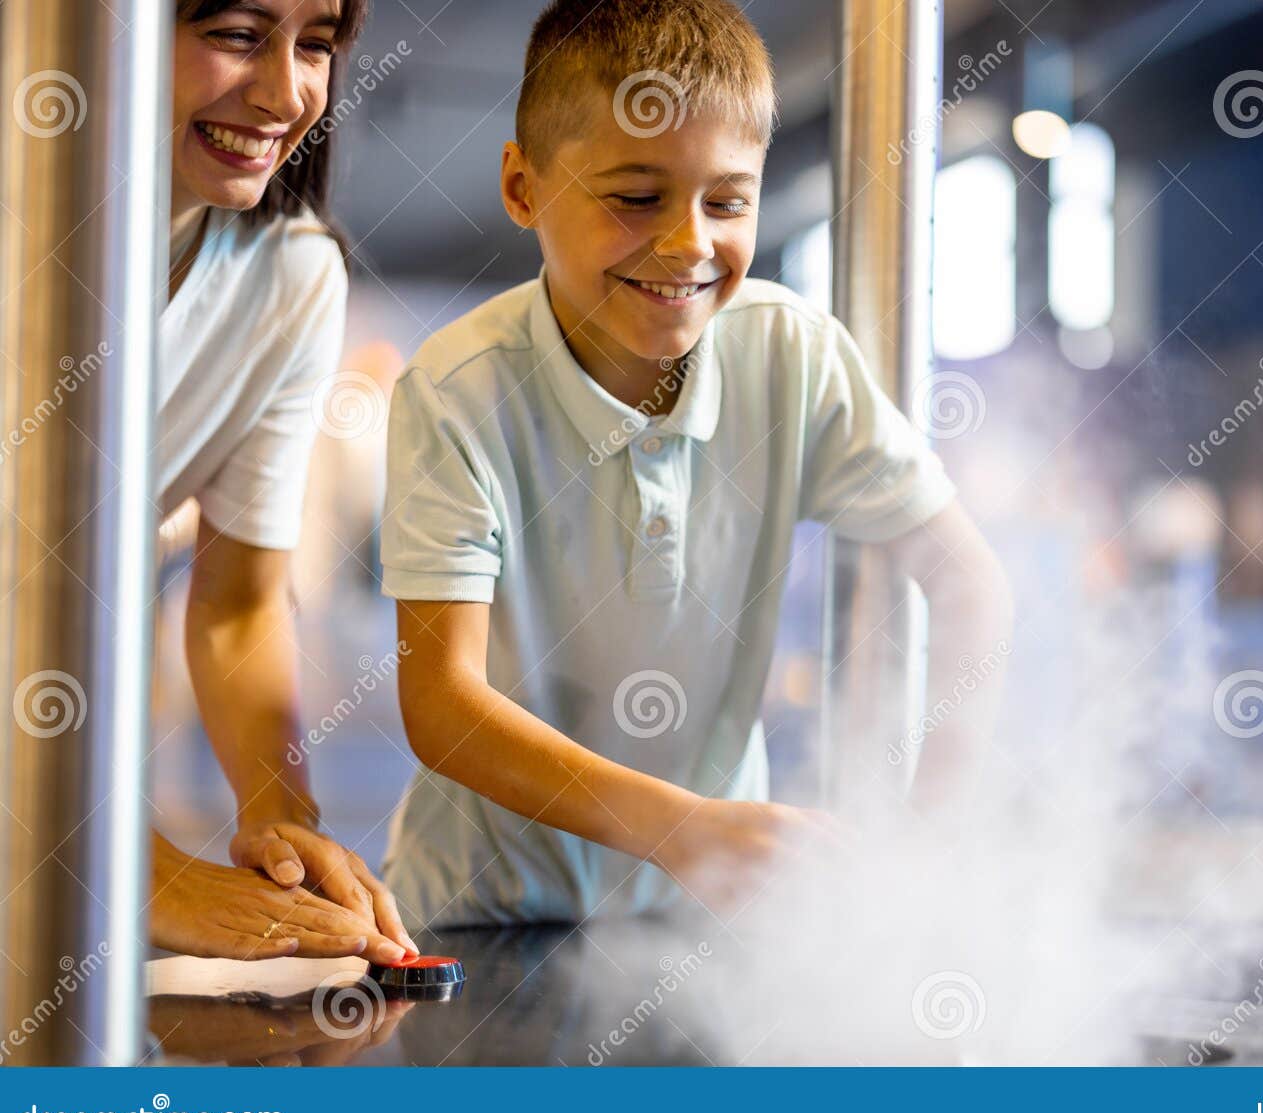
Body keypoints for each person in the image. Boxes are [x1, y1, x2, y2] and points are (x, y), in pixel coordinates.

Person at [379, 0, 1015, 928]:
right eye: (635, 197)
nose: (689, 244)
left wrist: (926, 842)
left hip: (704, 921)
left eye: (727, 201)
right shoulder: (457, 390)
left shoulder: (790, 354)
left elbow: (968, 583)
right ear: (522, 188)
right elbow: (442, 704)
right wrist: (685, 832)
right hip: (486, 912)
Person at [147, 0, 416, 962]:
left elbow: (236, 602)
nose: (286, 92)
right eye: (233, 33)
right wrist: (134, 871)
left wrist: (283, 823)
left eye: (317, 44)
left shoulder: (291, 276)